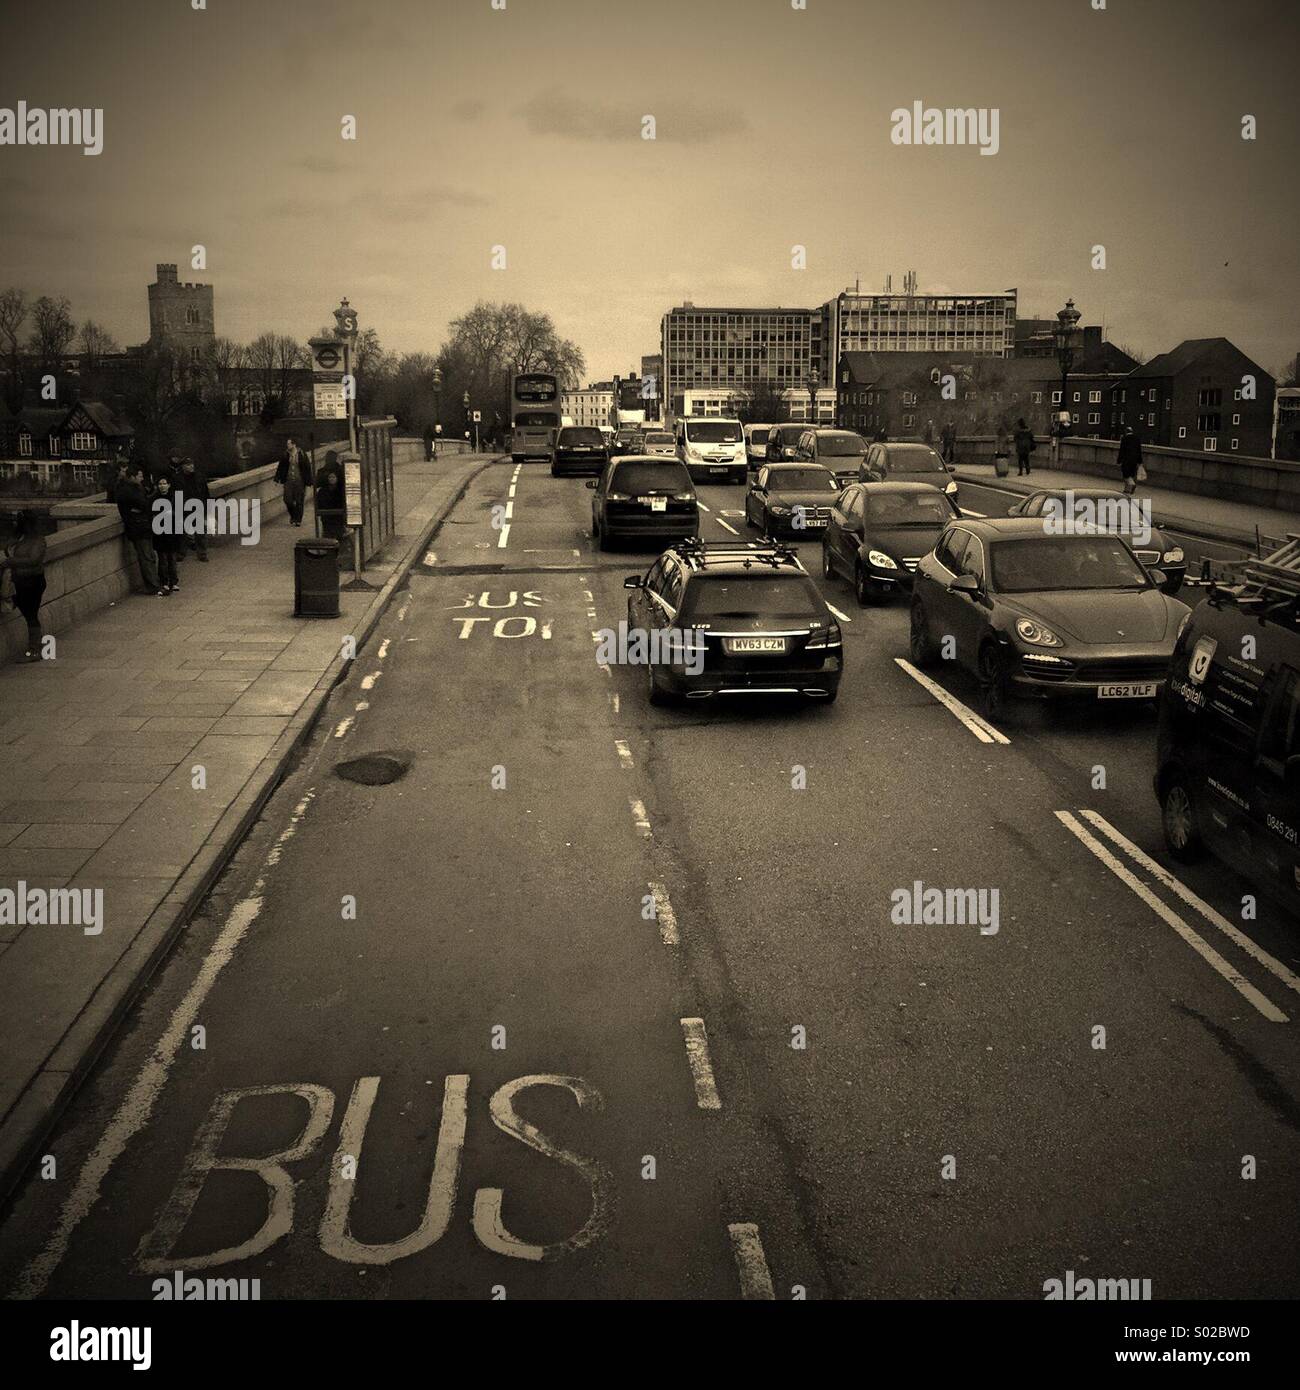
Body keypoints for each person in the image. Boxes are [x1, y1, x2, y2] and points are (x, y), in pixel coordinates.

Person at [1, 510, 49, 662]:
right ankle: (36, 649)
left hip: (32, 582)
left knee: (31, 615)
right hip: (18, 582)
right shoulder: (19, 538)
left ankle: (35, 650)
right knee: (30, 615)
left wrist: (11, 562)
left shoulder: (38, 540)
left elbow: (33, 559)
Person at [115, 464, 164, 595]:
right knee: (146, 556)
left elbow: (143, 506)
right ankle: (153, 586)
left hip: (142, 526)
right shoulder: (129, 490)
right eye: (140, 476)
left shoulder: (133, 488)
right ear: (133, 476)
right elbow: (144, 504)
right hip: (138, 527)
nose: (142, 479)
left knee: (149, 556)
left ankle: (154, 583)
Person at [152, 472, 182, 594]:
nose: (162, 486)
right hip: (161, 533)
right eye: (160, 484)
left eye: (164, 483)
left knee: (172, 558)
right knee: (163, 559)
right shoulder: (153, 499)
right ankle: (164, 582)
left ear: (169, 485)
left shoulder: (175, 497)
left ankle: (173, 581)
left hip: (173, 532)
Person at [178, 456, 211, 561]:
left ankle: (202, 553)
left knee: (200, 533)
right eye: (188, 465)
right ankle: (181, 553)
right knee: (182, 533)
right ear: (183, 467)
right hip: (183, 508)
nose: (191, 466)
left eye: (192, 464)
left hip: (198, 507)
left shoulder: (199, 477)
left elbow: (206, 493)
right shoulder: (177, 479)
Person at [275, 437, 313, 527]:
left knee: (299, 500)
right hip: (288, 481)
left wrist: (309, 480)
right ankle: (293, 515)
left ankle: (298, 520)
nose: (287, 445)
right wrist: (277, 479)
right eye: (287, 444)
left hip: (300, 481)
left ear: (294, 444)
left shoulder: (302, 454)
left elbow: (307, 468)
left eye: (289, 444)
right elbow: (281, 467)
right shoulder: (285, 454)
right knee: (287, 499)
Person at [1118, 426, 1143, 496]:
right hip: (1134, 460)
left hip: (1126, 459)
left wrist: (1119, 460)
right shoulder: (1137, 439)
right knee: (1132, 474)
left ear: (1126, 432)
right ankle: (1127, 489)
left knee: (1125, 474)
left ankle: (1132, 484)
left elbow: (1121, 451)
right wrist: (1140, 461)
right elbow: (1139, 451)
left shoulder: (1124, 439)